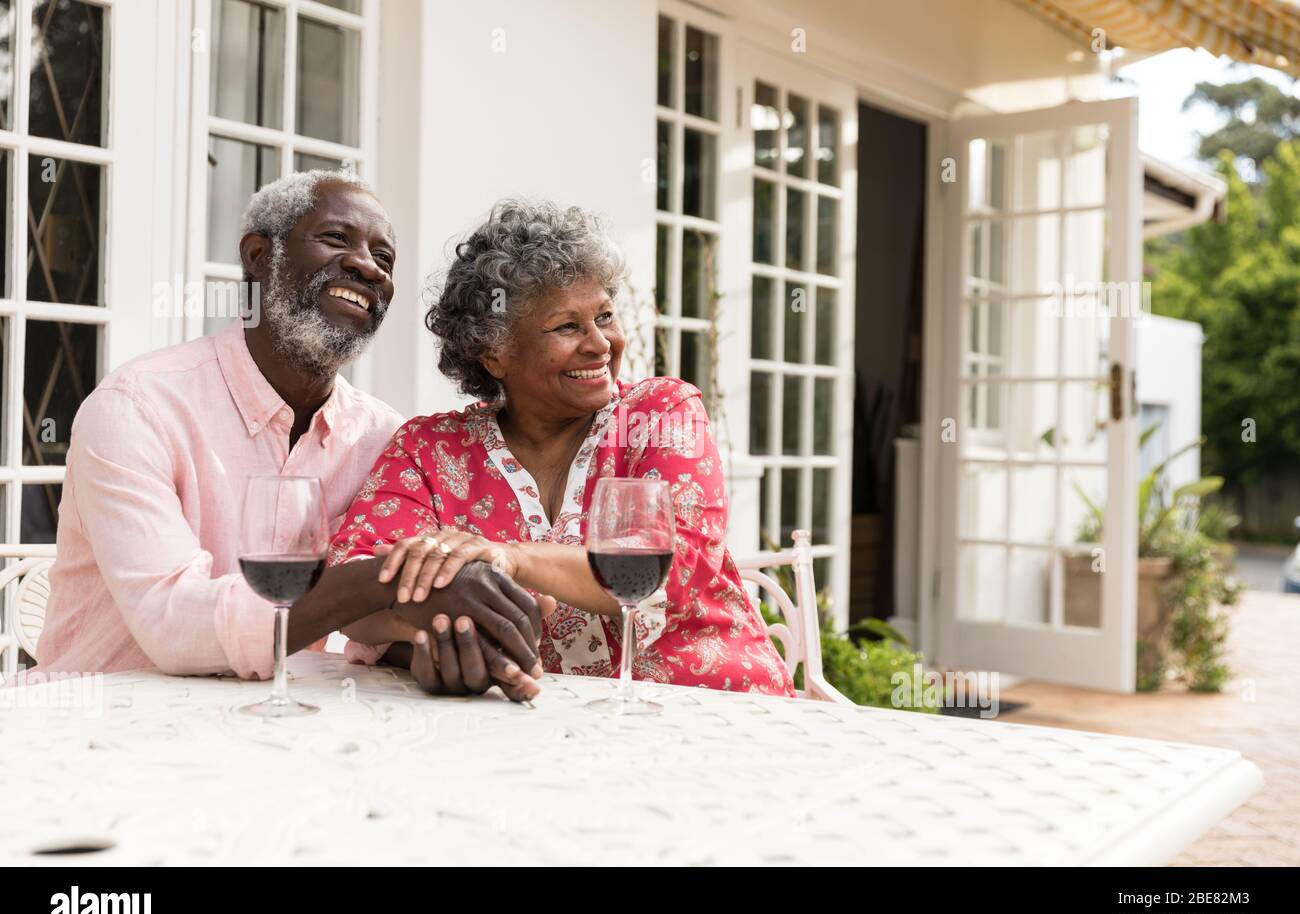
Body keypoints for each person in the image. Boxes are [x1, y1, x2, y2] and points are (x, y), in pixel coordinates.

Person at [34, 171, 545, 701]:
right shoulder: (138, 407)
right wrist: (392, 576)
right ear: (259, 255)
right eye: (336, 239)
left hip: (285, 735)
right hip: (97, 733)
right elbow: (173, 623)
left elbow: (373, 622)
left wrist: (439, 645)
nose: (367, 265)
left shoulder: (383, 437)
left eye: (384, 258)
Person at [332, 199, 794, 697]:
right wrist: (436, 633)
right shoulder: (428, 449)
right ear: (495, 354)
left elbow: (674, 567)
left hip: (711, 711)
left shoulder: (660, 414)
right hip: (534, 729)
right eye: (567, 326)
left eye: (605, 316)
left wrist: (508, 558)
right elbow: (351, 590)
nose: (600, 344)